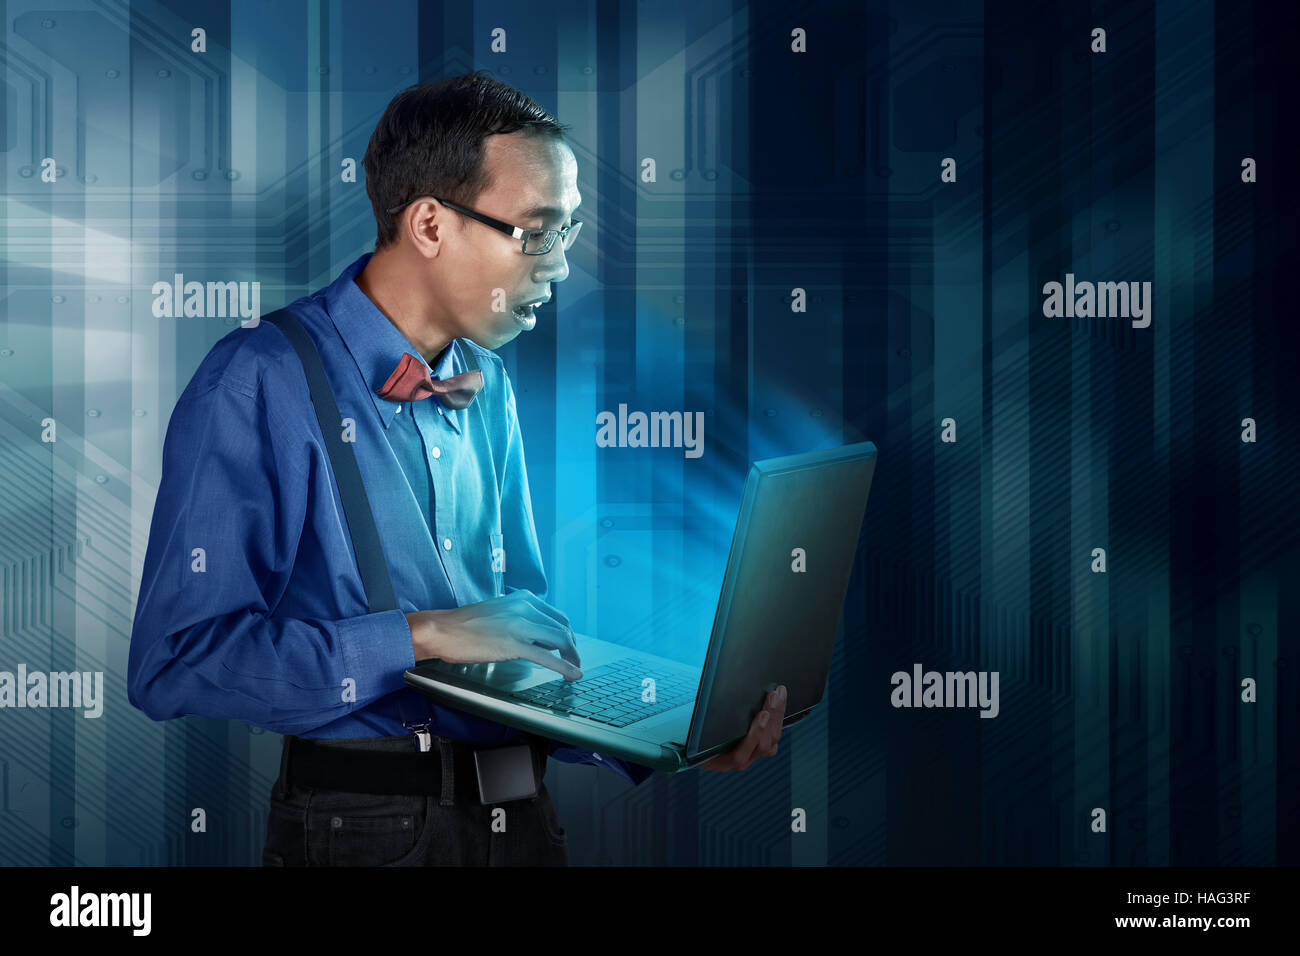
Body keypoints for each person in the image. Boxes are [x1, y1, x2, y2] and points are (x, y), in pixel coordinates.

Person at [127, 71, 786, 867]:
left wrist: (660, 740)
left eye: (567, 234)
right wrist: (423, 635)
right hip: (365, 831)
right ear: (431, 224)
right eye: (536, 233)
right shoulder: (257, 378)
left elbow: (518, 635)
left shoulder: (488, 378)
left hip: (524, 822)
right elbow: (176, 662)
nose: (559, 267)